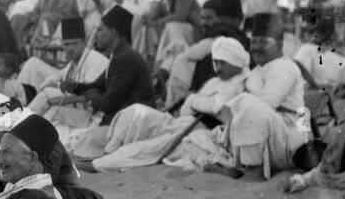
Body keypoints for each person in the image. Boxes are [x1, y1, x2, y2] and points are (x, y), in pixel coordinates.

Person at [87, 36, 251, 172]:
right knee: (135, 113)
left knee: (145, 149)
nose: (219, 67)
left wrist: (195, 100)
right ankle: (108, 153)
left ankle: (98, 165)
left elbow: (216, 107)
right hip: (181, 122)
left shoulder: (240, 84)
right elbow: (188, 109)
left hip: (202, 131)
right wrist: (195, 102)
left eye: (223, 62)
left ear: (236, 62)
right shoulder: (215, 82)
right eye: (216, 62)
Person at [215, 18, 308, 177]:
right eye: (253, 42)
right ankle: (241, 166)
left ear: (279, 44)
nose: (256, 47)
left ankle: (254, 172)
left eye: (263, 42)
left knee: (246, 103)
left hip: (289, 141)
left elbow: (266, 105)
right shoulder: (258, 70)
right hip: (273, 134)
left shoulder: (284, 68)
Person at [164, 0, 248, 108]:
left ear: (222, 19)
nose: (204, 23)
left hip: (211, 95)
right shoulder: (229, 35)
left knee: (179, 57)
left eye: (209, 18)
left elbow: (192, 54)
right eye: (202, 18)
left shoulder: (220, 35)